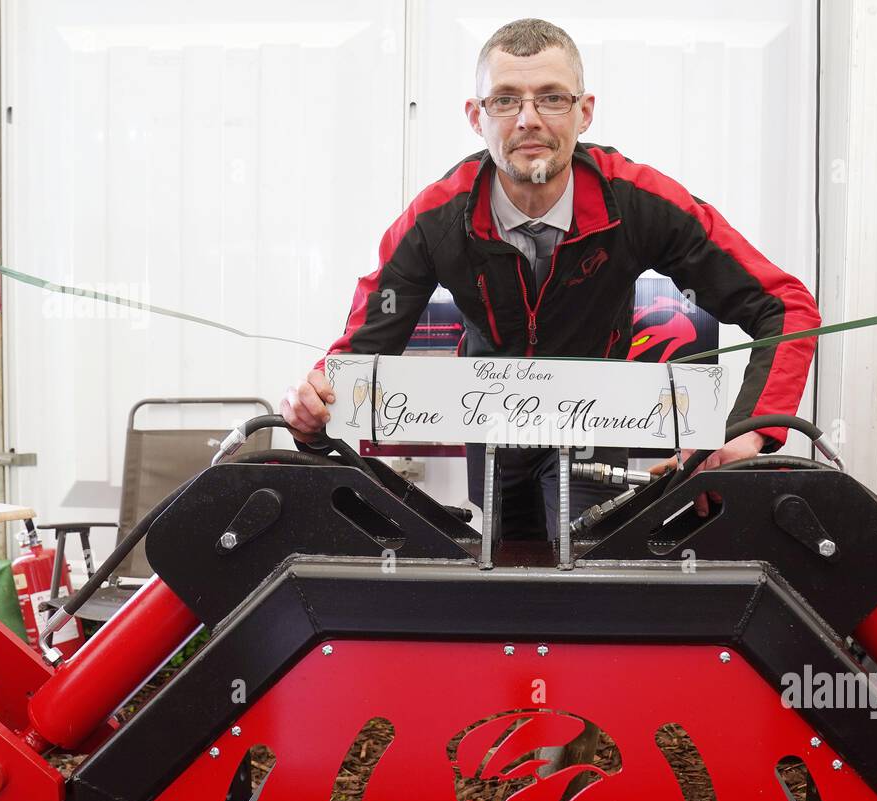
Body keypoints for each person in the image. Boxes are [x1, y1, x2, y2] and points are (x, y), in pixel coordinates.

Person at [281, 18, 821, 539]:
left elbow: (785, 305)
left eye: (552, 97)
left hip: (596, 425)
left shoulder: (640, 202)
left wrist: (746, 436)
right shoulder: (435, 219)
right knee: (503, 583)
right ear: (477, 116)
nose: (528, 119)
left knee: (588, 586)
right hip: (490, 426)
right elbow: (354, 356)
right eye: (506, 99)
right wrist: (311, 405)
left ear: (584, 112)